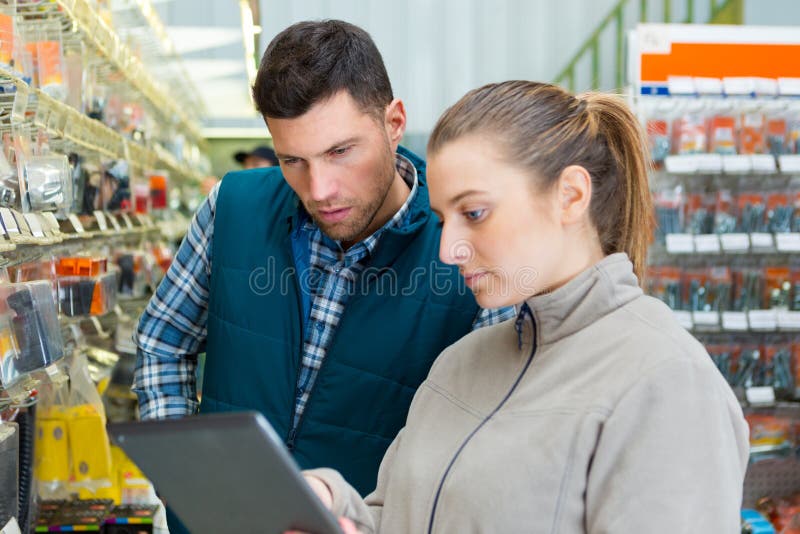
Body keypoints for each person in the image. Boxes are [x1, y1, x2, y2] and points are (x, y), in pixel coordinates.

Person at [300, 81, 750, 533]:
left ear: (571, 196)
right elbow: (398, 517)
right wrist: (329, 506)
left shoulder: (665, 381)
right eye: (442, 220)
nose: (448, 249)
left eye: (474, 213)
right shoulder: (460, 363)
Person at [132, 18, 514, 516]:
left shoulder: (464, 247)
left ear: (393, 123)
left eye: (340, 152)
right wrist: (183, 474)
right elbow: (163, 340)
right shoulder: (233, 207)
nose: (319, 190)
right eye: (293, 160)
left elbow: (483, 441)